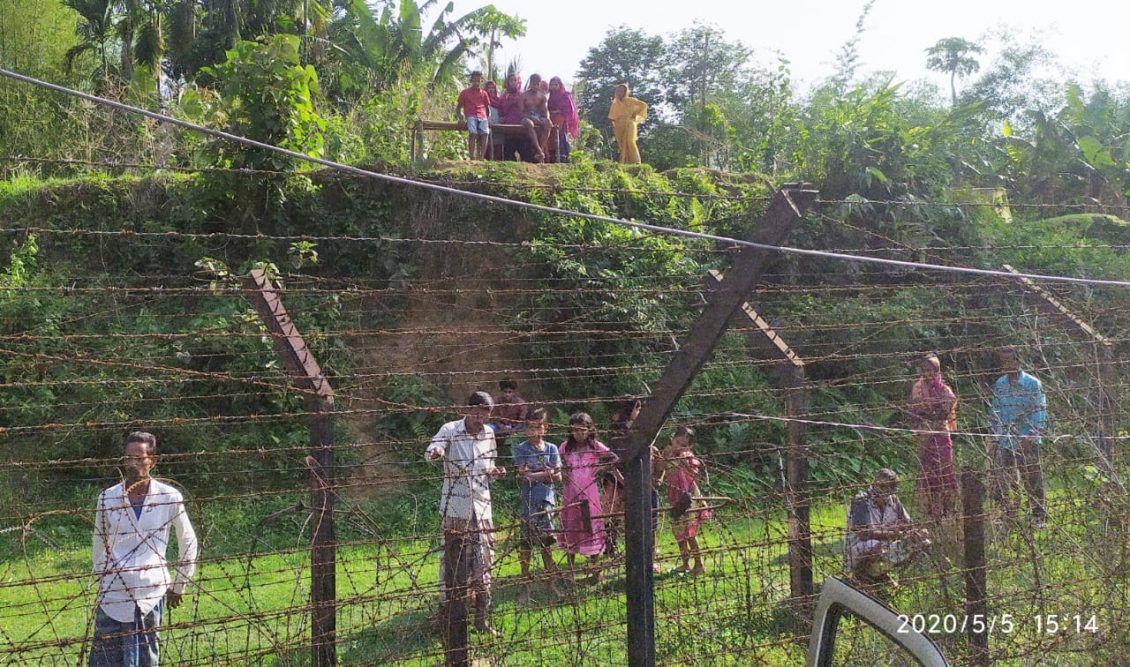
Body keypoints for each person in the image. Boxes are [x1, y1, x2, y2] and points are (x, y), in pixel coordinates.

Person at [91, 431, 198, 667]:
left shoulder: (169, 497)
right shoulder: (108, 497)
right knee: (107, 657)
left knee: (146, 657)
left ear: (153, 460)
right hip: (113, 591)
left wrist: (179, 584)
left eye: (139, 458)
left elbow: (188, 541)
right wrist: (101, 581)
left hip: (151, 590)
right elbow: (99, 542)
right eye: (128, 458)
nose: (133, 464)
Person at [425, 391, 507, 636]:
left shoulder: (489, 434)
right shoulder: (450, 430)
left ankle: (481, 620)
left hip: (482, 509)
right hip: (456, 512)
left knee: (483, 567)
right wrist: (437, 453)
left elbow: (489, 463)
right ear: (468, 409)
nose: (481, 417)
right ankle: (449, 620)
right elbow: (431, 450)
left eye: (486, 413)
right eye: (478, 411)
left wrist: (495, 472)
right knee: (454, 569)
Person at [844, 469, 931, 591]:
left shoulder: (894, 501)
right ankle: (859, 576)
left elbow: (907, 524)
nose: (885, 490)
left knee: (922, 541)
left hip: (887, 547)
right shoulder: (861, 500)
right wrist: (892, 534)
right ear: (874, 484)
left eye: (889, 487)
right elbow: (863, 533)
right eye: (882, 486)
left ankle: (883, 573)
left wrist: (917, 532)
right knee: (875, 546)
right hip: (858, 549)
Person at [512, 408, 566, 603]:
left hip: (547, 502)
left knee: (547, 544)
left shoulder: (551, 448)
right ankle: (525, 583)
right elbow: (522, 476)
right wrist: (546, 473)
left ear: (546, 428)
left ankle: (550, 581)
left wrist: (533, 474)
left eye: (538, 427)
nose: (534, 431)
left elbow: (558, 477)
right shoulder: (521, 449)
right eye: (530, 427)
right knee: (526, 544)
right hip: (528, 503)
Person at [989, 347, 1048, 525]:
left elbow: (1039, 410)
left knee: (1032, 478)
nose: (1006, 365)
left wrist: (1031, 435)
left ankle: (1038, 516)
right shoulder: (1000, 384)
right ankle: (1006, 513)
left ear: (1018, 362)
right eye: (1003, 362)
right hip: (1005, 439)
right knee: (1002, 478)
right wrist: (994, 433)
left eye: (1009, 361)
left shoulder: (1033, 384)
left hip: (1027, 438)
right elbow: (995, 409)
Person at [558, 412, 619, 582]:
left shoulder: (595, 447)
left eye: (582, 429)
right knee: (571, 528)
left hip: (589, 493)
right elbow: (556, 462)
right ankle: (570, 572)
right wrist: (562, 471)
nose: (579, 433)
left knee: (591, 528)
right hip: (570, 493)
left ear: (589, 429)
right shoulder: (565, 447)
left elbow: (614, 458)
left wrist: (600, 469)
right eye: (575, 430)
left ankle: (595, 570)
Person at [907, 353, 958, 520]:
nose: (926, 374)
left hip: (941, 436)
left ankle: (947, 510)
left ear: (937, 371)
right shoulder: (917, 388)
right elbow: (914, 412)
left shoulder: (945, 390)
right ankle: (930, 512)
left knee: (944, 471)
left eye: (930, 370)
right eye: (923, 370)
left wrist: (928, 416)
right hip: (924, 437)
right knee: (927, 474)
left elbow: (944, 412)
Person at [664, 426, 711, 575]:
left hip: (688, 497)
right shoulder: (667, 454)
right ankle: (685, 564)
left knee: (690, 533)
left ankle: (698, 564)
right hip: (674, 497)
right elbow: (660, 469)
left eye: (684, 445)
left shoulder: (688, 456)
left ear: (689, 447)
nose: (679, 447)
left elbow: (695, 473)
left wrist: (685, 462)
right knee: (679, 533)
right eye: (677, 442)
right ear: (672, 440)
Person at [607, 82, 648, 164]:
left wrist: (635, 114)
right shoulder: (615, 103)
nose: (620, 93)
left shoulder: (631, 100)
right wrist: (615, 124)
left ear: (626, 92)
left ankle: (636, 161)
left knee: (630, 141)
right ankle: (626, 161)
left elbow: (643, 105)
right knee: (622, 144)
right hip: (619, 125)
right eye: (618, 91)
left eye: (622, 91)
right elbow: (612, 116)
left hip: (630, 123)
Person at [455, 71, 491, 160]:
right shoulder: (465, 93)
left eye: (478, 81)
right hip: (471, 115)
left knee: (485, 133)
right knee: (473, 133)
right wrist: (461, 117)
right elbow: (458, 108)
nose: (476, 83)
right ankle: (472, 157)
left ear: (481, 81)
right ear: (471, 81)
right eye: (474, 81)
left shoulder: (484, 93)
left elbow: (488, 108)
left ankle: (481, 157)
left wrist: (488, 117)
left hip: (482, 115)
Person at [519, 73, 553, 162]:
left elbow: (545, 110)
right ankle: (539, 150)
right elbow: (521, 112)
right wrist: (530, 117)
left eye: (538, 84)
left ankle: (539, 151)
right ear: (530, 84)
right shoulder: (524, 95)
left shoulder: (542, 96)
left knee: (548, 123)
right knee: (529, 123)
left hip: (538, 116)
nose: (536, 86)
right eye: (534, 84)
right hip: (526, 117)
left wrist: (547, 118)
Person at [548, 76, 580, 164]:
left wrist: (558, 111)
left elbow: (569, 109)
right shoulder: (550, 97)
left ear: (560, 85)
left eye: (556, 84)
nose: (553, 86)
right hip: (551, 120)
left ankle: (563, 159)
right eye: (551, 84)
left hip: (562, 121)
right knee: (551, 140)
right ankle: (552, 159)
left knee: (561, 138)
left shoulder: (565, 96)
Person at [489, 378, 527, 447]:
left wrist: (514, 429)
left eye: (510, 392)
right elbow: (494, 418)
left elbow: (522, 421)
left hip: (515, 427)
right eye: (505, 392)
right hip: (499, 426)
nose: (507, 394)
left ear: (513, 392)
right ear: (501, 391)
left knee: (525, 430)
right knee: (488, 428)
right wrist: (502, 427)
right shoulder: (496, 401)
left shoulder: (520, 403)